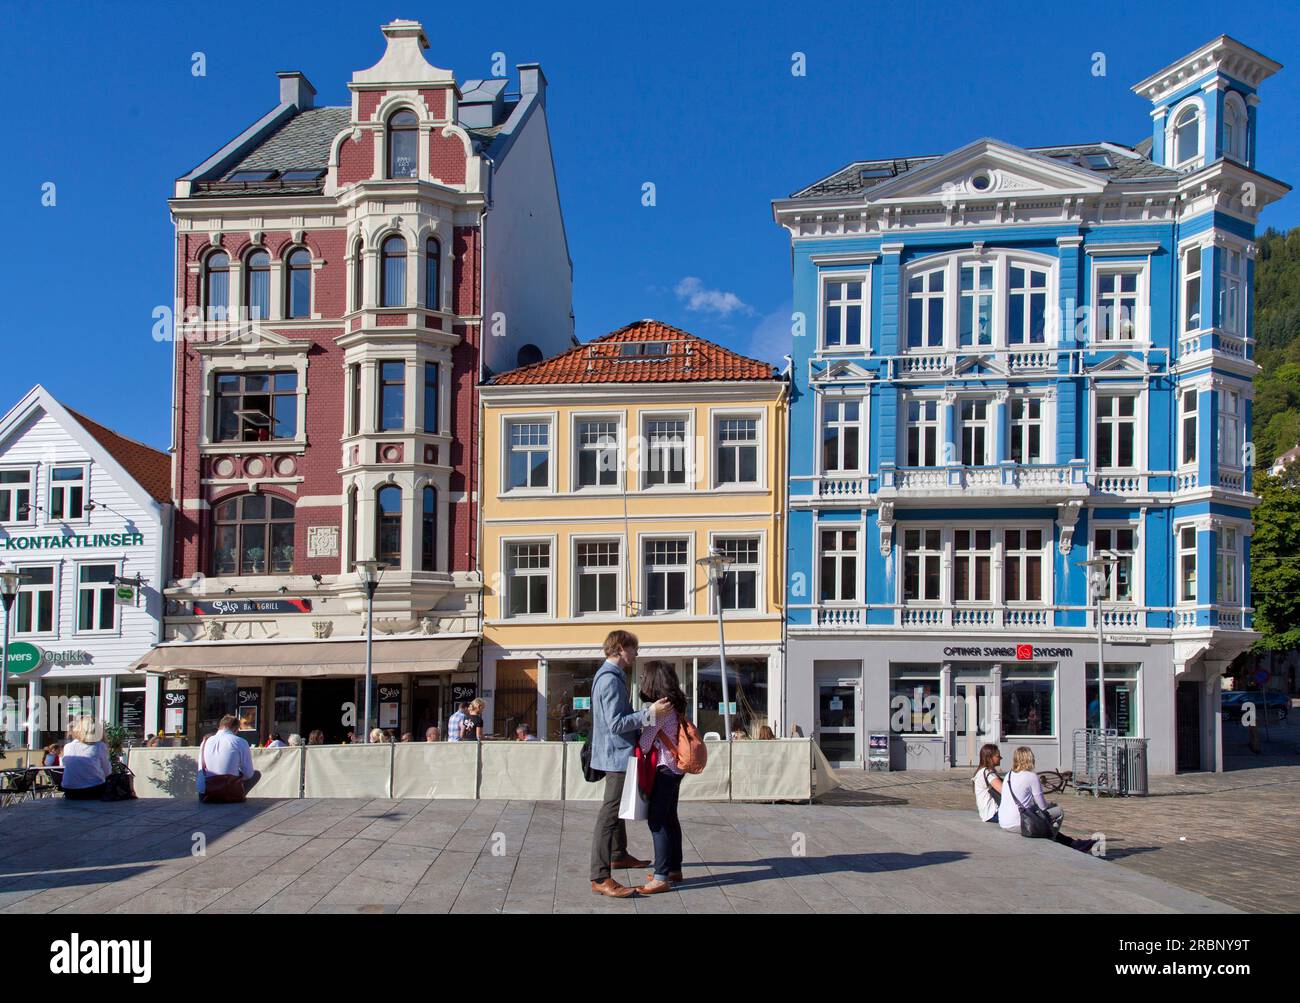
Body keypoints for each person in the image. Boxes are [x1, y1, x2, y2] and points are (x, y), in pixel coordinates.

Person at [588, 630, 672, 899]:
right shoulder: (610, 679)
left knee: (616, 808)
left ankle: (618, 854)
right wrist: (650, 714)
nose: (636, 653)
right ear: (621, 648)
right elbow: (616, 723)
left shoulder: (609, 676)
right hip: (616, 755)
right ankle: (600, 876)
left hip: (614, 753)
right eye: (634, 648)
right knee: (609, 815)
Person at [636, 661, 688, 895]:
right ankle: (673, 869)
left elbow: (645, 743)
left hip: (665, 768)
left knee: (657, 821)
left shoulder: (661, 708)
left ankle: (661, 876)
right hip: (676, 768)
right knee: (670, 818)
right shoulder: (675, 704)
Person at [998, 747, 1096, 852]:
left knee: (1042, 816)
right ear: (1030, 759)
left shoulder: (1009, 775)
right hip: (1019, 822)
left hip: (1004, 821)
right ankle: (1051, 840)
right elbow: (1042, 806)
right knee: (1059, 811)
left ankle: (1072, 842)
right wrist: (1051, 805)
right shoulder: (1031, 776)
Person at [197, 714, 261, 802]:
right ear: (235, 729)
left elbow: (201, 769)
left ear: (219, 727)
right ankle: (237, 794)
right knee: (256, 774)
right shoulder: (240, 741)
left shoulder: (205, 742)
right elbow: (248, 774)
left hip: (206, 794)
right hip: (229, 792)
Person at [59, 718, 110, 800]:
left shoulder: (68, 746)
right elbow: (107, 772)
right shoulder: (99, 746)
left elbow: (66, 765)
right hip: (92, 790)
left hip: (69, 791)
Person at [972, 743, 1003, 822]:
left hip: (987, 813)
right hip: (993, 813)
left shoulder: (982, 771)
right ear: (989, 758)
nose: (1001, 758)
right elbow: (1005, 791)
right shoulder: (988, 773)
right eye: (998, 756)